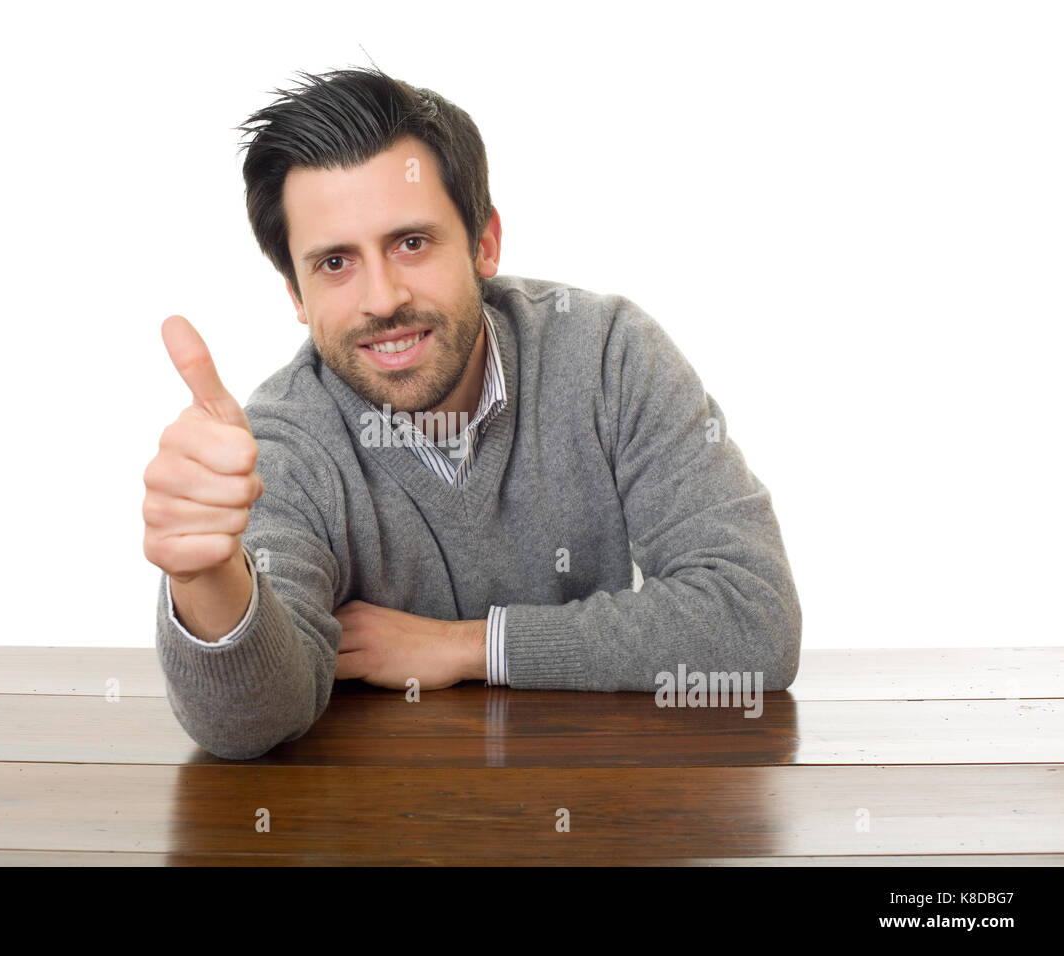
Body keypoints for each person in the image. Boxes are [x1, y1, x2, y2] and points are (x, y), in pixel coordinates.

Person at [142, 67, 801, 759]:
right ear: (297, 297)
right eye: (335, 262)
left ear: (484, 243)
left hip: (598, 820)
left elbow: (754, 621)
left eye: (411, 243)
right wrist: (206, 577)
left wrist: (470, 646)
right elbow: (250, 725)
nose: (382, 298)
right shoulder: (280, 443)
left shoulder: (610, 356)